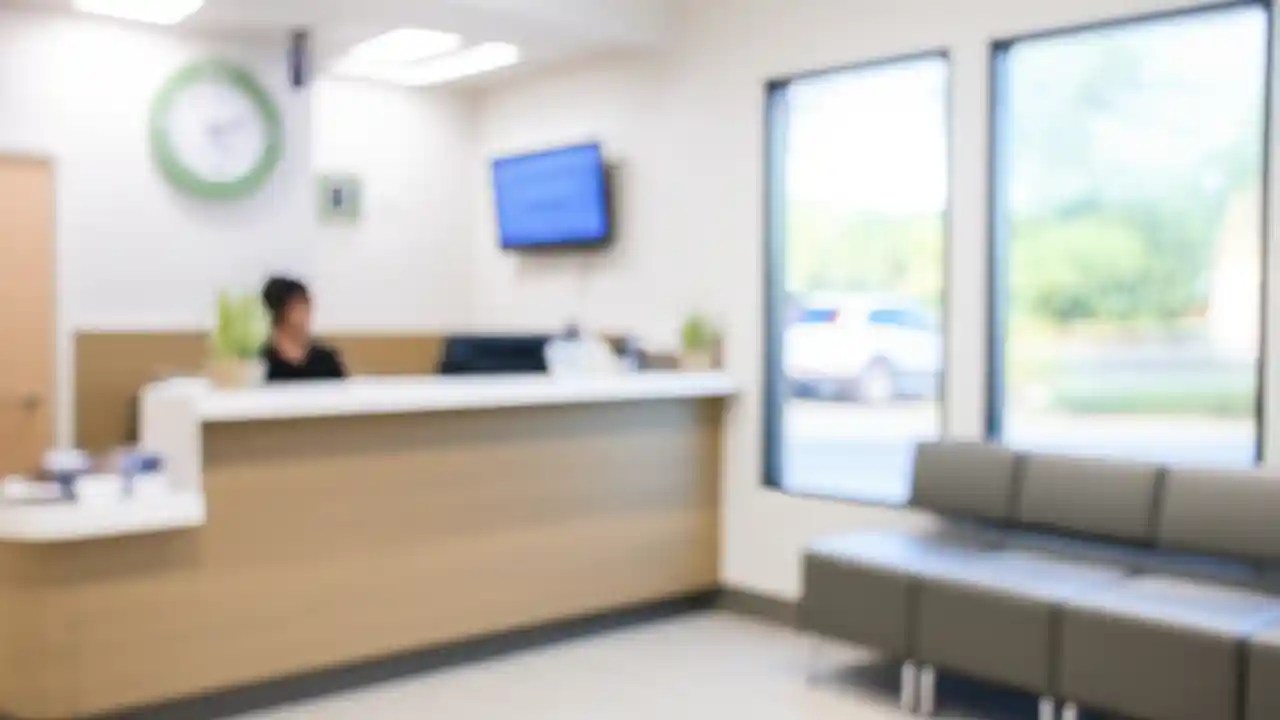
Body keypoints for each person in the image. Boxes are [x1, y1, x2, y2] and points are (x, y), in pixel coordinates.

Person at [261, 277, 346, 381]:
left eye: (306, 304)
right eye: (297, 306)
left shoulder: (325, 359)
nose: (305, 312)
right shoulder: (262, 363)